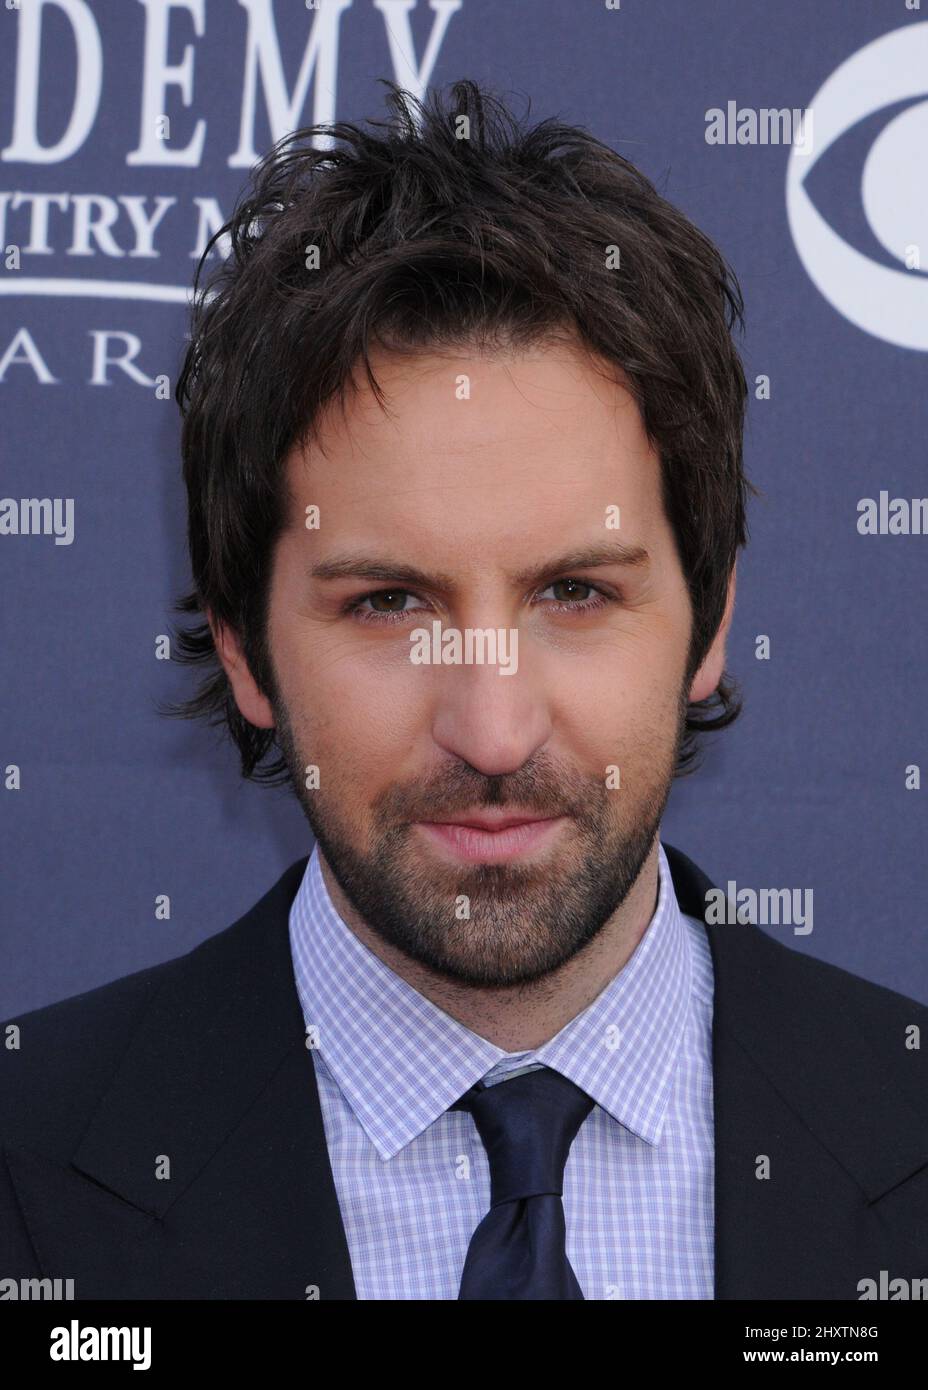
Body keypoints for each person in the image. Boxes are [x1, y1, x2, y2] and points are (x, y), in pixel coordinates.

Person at [2, 80, 925, 1302]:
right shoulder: (28, 1173)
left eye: (576, 594)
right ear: (240, 646)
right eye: (388, 604)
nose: (491, 728)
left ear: (709, 621)